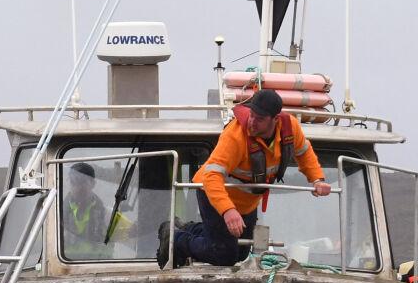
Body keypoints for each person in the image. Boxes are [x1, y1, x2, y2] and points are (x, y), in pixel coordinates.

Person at [162, 88, 331, 267]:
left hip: (247, 201)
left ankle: (188, 228)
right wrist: (228, 211)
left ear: (275, 119)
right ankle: (174, 238)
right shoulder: (235, 136)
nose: (252, 122)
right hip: (213, 193)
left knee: (241, 253)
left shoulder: (290, 129)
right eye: (252, 115)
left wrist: (317, 179)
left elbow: (304, 152)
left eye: (259, 119)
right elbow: (211, 176)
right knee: (224, 255)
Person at [62, 163, 134, 259]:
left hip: (101, 270)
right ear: (69, 183)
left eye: (82, 181)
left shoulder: (108, 216)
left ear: (93, 183)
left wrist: (141, 226)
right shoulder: (56, 216)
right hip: (64, 271)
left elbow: (135, 236)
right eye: (73, 181)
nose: (78, 186)